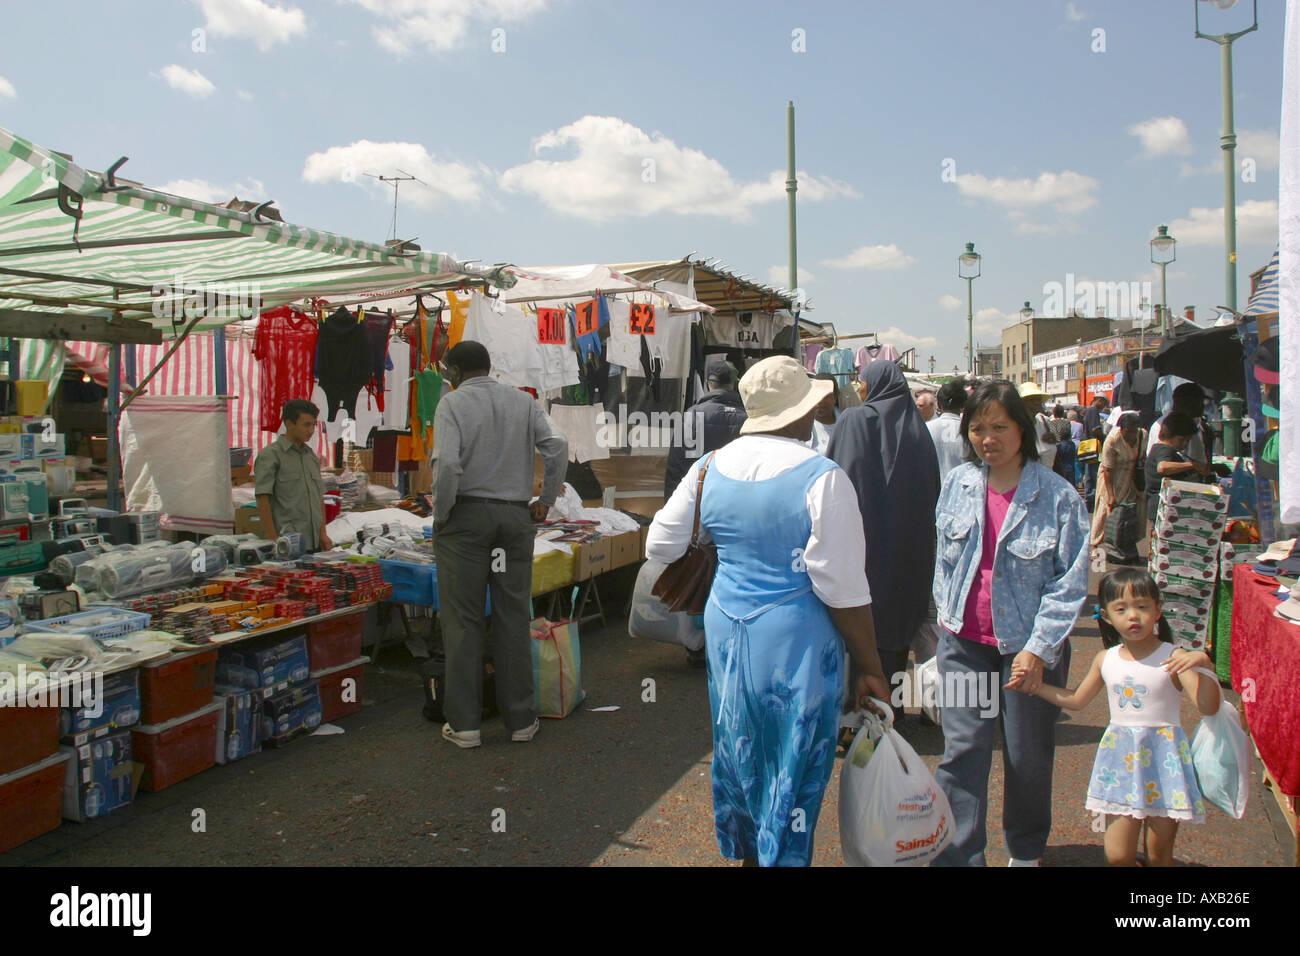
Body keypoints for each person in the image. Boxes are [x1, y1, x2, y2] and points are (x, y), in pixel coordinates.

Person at [645, 355, 890, 867]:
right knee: (793, 754)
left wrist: (729, 549)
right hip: (795, 634)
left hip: (729, 624)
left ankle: (751, 852)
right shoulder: (823, 477)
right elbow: (842, 586)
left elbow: (661, 544)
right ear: (797, 413)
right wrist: (869, 664)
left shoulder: (708, 468)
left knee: (739, 743)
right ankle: (782, 855)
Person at [931, 380, 1090, 866]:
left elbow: (1071, 581)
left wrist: (1038, 648)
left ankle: (1024, 852)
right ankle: (961, 853)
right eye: (977, 428)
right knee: (962, 751)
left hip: (1027, 653)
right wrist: (944, 618)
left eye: (999, 426)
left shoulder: (1058, 497)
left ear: (1022, 429)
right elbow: (944, 561)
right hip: (964, 644)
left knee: (1027, 756)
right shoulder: (958, 483)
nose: (988, 438)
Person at [1015, 568, 1218, 866]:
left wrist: (1204, 665)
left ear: (1158, 611)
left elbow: (1208, 707)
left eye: (1143, 606)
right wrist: (1036, 687)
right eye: (1121, 609)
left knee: (1160, 856)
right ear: (1107, 616)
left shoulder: (1175, 657)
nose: (1133, 616)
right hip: (1120, 764)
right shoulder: (1105, 659)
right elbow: (1076, 700)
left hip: (1165, 763)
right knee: (1118, 856)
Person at [431, 340, 568, 749]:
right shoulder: (523, 402)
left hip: (466, 519)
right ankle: (522, 721)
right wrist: (545, 501)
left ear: (455, 371)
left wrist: (442, 513)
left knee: (463, 622)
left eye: (446, 371)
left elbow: (448, 465)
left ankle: (466, 725)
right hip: (513, 519)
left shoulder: (451, 404)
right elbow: (557, 447)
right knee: (512, 616)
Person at [828, 360, 941, 693]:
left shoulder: (854, 419)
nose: (860, 388)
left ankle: (857, 716)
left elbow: (835, 480)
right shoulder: (918, 430)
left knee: (856, 628)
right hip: (909, 555)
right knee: (894, 634)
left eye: (862, 381)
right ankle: (890, 708)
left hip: (861, 551)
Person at [254, 399, 332, 553]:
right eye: (306, 425)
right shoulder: (271, 455)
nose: (311, 430)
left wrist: (322, 533)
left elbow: (319, 498)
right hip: (285, 543)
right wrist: (272, 539)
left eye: (313, 425)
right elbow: (263, 498)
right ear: (289, 424)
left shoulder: (310, 456)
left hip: (314, 543)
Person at [664, 362, 747, 499]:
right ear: (733, 385)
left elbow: (676, 466)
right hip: (736, 501)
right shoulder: (748, 418)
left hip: (699, 500)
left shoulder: (692, 415)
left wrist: (671, 505)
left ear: (708, 383)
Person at [1090, 412, 1145, 551]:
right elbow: (1108, 469)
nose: (1132, 434)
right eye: (1129, 431)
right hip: (1112, 477)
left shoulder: (1142, 435)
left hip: (1131, 477)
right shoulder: (1112, 440)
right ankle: (1095, 545)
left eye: (1134, 430)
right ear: (1121, 429)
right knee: (1106, 508)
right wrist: (1111, 494)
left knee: (1131, 510)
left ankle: (1124, 542)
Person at [1146, 383, 1213, 478]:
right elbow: (1161, 466)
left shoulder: (1195, 424)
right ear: (1186, 404)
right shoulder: (1165, 426)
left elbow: (1201, 462)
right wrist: (1192, 465)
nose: (1203, 407)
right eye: (1199, 402)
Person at [1144, 412, 1201, 522]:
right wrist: (1193, 466)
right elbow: (1163, 467)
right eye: (1187, 440)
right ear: (1180, 438)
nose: (1186, 444)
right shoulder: (1164, 450)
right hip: (1163, 508)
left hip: (1163, 508)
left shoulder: (1160, 449)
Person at [927, 377, 967, 482]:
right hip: (964, 490)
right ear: (963, 405)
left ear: (938, 405)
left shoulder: (926, 429)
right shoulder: (971, 431)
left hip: (934, 490)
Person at [1017, 381, 1057, 471]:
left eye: (1038, 400)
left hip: (1048, 479)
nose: (1036, 403)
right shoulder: (1015, 427)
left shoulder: (1045, 421)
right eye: (1031, 400)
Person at [1083, 395, 1110, 504]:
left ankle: (1089, 497)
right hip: (1093, 446)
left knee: (1090, 472)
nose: (1104, 406)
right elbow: (1095, 430)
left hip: (1089, 445)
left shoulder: (1089, 411)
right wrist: (1105, 438)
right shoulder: (1093, 410)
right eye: (1104, 404)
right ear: (1100, 401)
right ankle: (1091, 498)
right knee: (1093, 473)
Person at [807, 373, 839, 454]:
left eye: (826, 396)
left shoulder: (847, 424)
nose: (820, 401)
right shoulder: (803, 426)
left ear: (835, 397)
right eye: (817, 394)